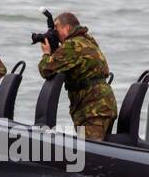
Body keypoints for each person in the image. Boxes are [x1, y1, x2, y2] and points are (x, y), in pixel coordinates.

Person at [37, 12, 116, 140]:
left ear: (66, 28)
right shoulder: (86, 40)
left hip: (94, 109)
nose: (55, 33)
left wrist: (46, 53)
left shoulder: (73, 45)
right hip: (96, 106)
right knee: (93, 150)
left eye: (56, 28)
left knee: (89, 153)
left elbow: (45, 69)